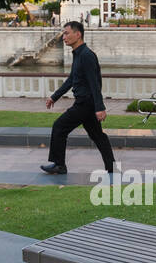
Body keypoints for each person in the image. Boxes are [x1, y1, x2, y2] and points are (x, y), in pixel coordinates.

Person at [41, 21, 117, 175]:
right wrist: (54, 97)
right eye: (63, 34)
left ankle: (59, 165)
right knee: (97, 136)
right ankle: (111, 168)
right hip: (86, 104)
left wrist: (100, 107)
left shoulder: (87, 55)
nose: (64, 37)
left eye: (67, 33)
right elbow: (71, 80)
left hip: (85, 103)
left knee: (59, 127)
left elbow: (94, 83)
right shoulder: (79, 54)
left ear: (78, 34)